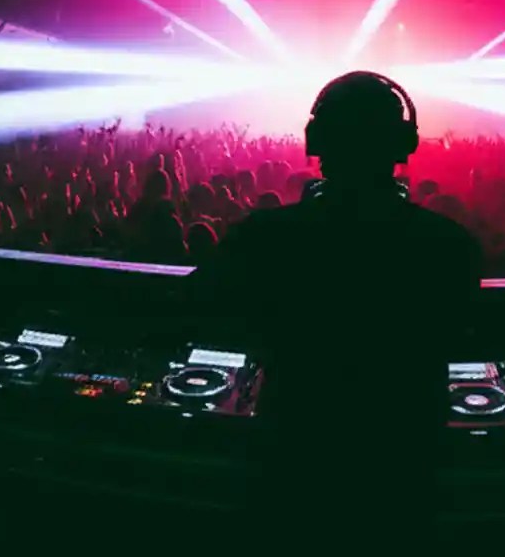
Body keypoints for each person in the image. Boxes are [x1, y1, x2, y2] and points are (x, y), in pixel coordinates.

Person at [188, 71, 484, 547]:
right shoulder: (450, 245)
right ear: (403, 144)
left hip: (295, 454)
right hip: (403, 465)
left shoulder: (266, 237)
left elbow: (198, 306)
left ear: (317, 141)